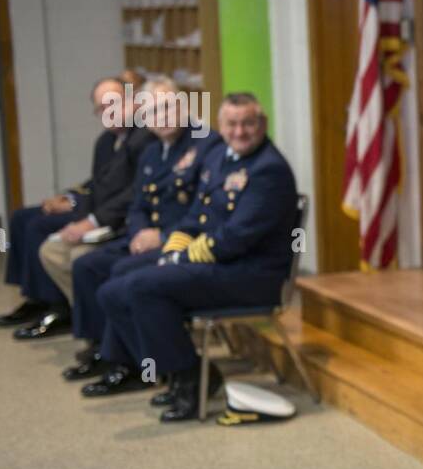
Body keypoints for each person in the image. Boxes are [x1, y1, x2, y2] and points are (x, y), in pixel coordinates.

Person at [90, 93, 298, 421]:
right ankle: (173, 370)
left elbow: (234, 239)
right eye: (232, 123)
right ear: (221, 125)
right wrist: (172, 252)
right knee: (114, 285)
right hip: (218, 264)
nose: (240, 131)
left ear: (263, 124)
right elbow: (194, 217)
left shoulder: (268, 170)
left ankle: (189, 376)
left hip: (251, 275)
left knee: (144, 287)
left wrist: (177, 260)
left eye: (249, 123)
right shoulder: (221, 158)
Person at [62, 77, 220, 382]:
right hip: (146, 238)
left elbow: (206, 208)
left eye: (168, 108)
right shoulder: (152, 152)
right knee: (87, 265)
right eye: (153, 112)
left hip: (183, 241)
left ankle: (132, 364)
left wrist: (160, 236)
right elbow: (137, 204)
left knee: (122, 272)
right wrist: (138, 232)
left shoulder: (205, 144)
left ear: (184, 106)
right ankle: (101, 351)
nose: (162, 117)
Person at [0, 77, 149, 339]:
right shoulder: (105, 141)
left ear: (133, 102)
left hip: (118, 221)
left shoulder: (143, 138)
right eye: (101, 108)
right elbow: (98, 184)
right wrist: (73, 200)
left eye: (114, 103)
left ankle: (61, 309)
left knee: (39, 228)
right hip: (98, 213)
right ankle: (43, 301)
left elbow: (134, 191)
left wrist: (89, 219)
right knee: (24, 218)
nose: (109, 112)